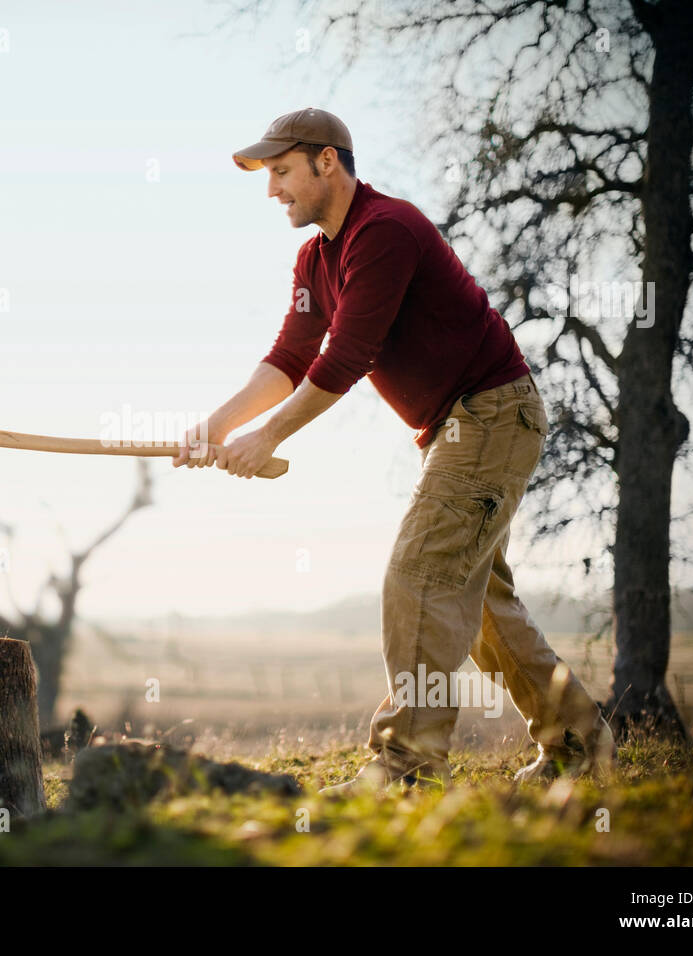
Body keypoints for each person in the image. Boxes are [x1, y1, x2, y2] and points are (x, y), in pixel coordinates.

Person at [173, 108, 614, 792]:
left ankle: (407, 766)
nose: (272, 192)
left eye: (282, 173)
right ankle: (580, 749)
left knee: (418, 576)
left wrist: (269, 438)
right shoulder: (315, 258)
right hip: (455, 429)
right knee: (485, 612)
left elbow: (349, 355)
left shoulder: (385, 231)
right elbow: (292, 356)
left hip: (491, 414)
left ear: (328, 162)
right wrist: (219, 425)